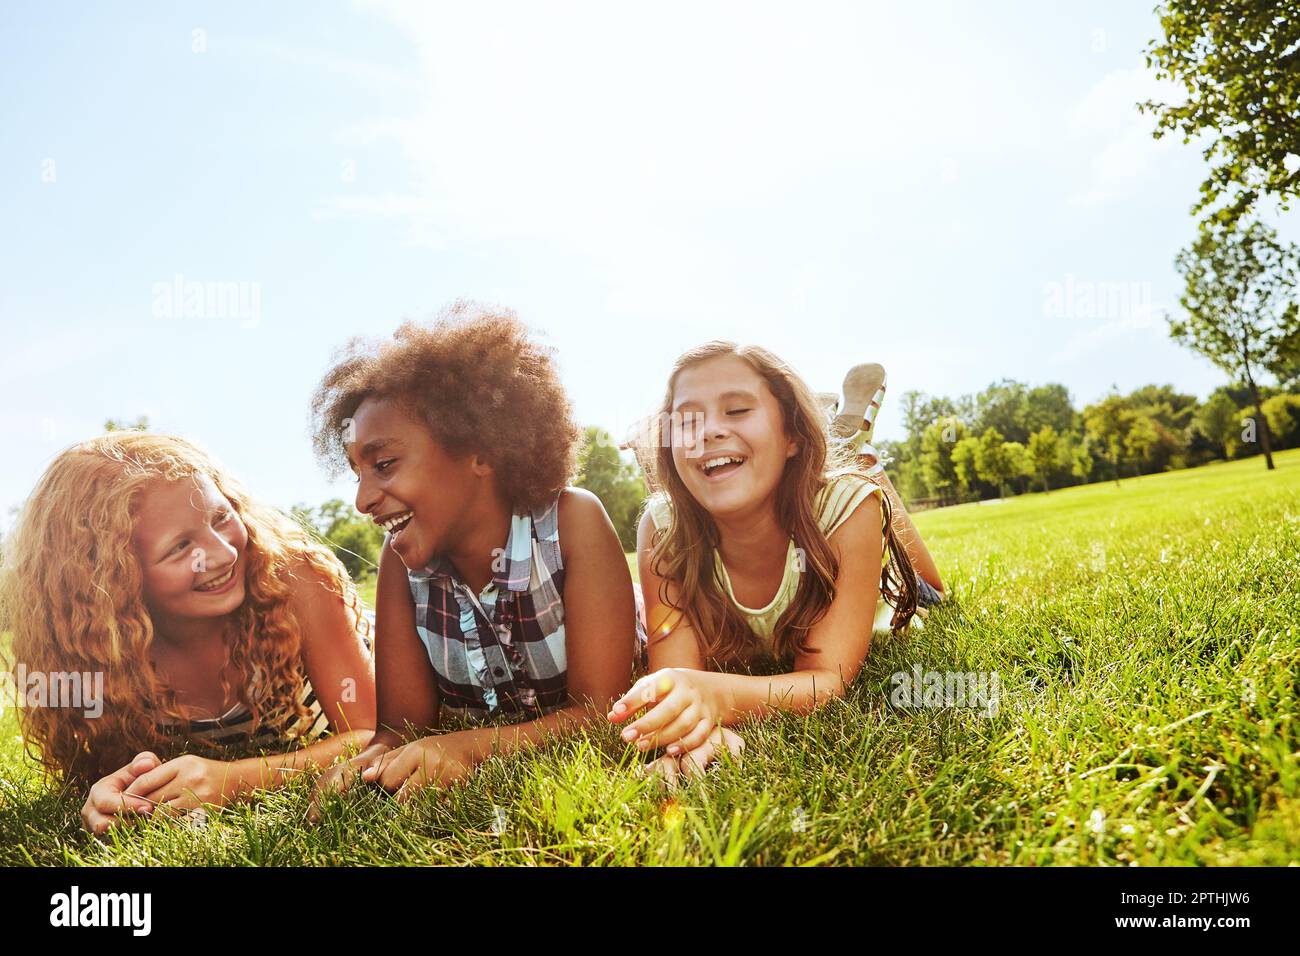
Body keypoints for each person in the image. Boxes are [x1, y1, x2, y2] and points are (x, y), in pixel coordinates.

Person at [308, 303, 644, 812]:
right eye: (357, 473)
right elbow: (403, 729)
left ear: (481, 451)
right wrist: (369, 764)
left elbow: (598, 716)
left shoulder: (572, 524)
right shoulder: (402, 564)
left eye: (384, 464)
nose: (363, 499)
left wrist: (468, 748)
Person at [0, 432, 376, 834]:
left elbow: (374, 733)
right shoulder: (89, 651)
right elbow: (99, 779)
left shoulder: (294, 578)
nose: (223, 554)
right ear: (112, 577)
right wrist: (114, 794)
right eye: (180, 547)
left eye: (221, 518)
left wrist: (234, 780)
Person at [608, 344, 945, 783]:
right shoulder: (663, 528)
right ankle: (842, 441)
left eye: (738, 410)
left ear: (791, 436)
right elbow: (678, 678)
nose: (708, 430)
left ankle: (859, 456)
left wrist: (719, 698)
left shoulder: (845, 512)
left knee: (929, 589)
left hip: (884, 587)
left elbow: (826, 679)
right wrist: (694, 731)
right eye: (688, 419)